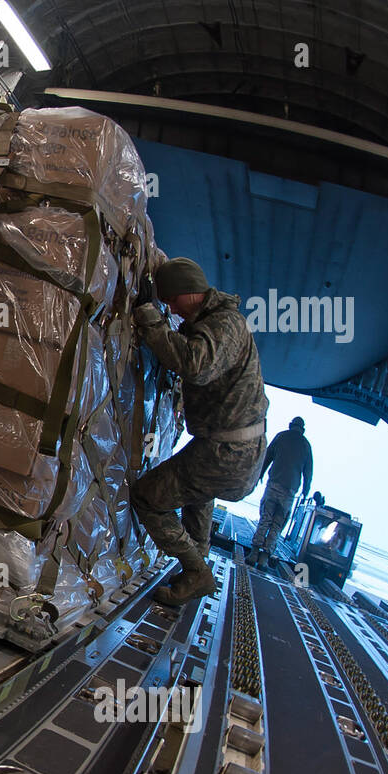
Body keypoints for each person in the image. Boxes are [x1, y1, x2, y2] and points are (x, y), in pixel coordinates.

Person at [131, 257, 268, 605]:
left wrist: (150, 317)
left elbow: (196, 365)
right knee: (196, 492)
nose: (172, 309)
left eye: (173, 300)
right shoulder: (215, 323)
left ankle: (196, 572)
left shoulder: (225, 324)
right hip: (230, 451)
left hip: (226, 454)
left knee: (147, 497)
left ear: (187, 291)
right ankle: (198, 562)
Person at [248, 416, 313, 566]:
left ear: (291, 425)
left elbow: (267, 457)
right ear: (302, 430)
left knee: (265, 519)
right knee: (277, 525)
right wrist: (305, 491)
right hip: (289, 492)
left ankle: (254, 553)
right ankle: (264, 558)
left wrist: (260, 475)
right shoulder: (305, 445)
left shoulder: (281, 436)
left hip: (273, 486)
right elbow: (308, 472)